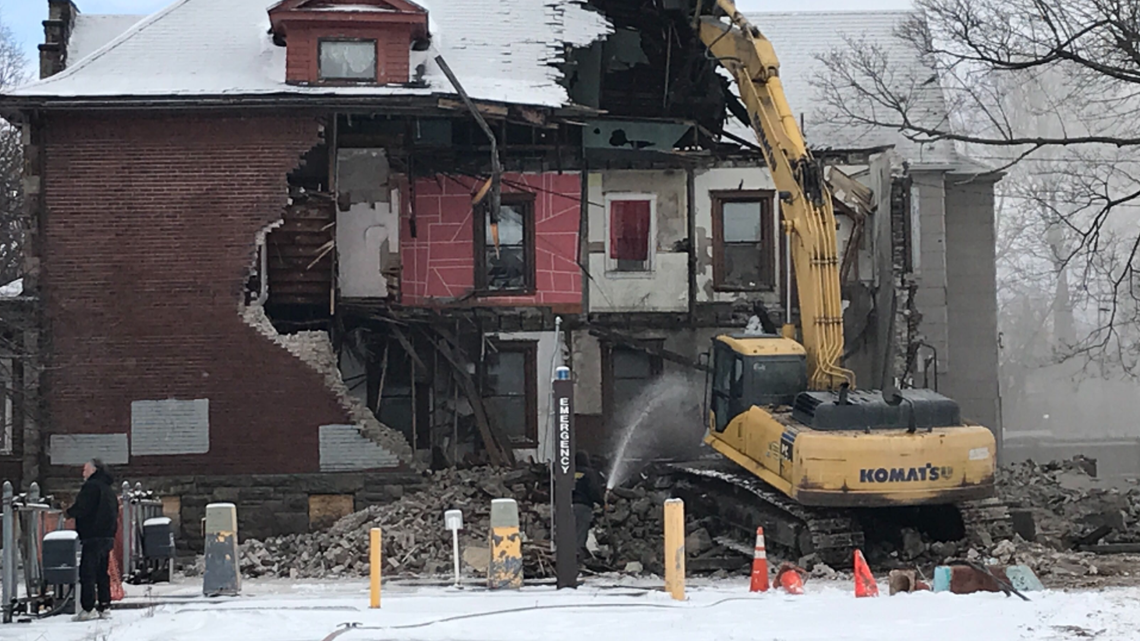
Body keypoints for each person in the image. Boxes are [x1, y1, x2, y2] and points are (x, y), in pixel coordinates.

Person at [65, 458, 119, 621]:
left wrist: (68, 512)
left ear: (94, 470)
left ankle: (88, 608)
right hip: (107, 536)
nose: (83, 472)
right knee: (102, 572)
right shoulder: (108, 489)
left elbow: (83, 507)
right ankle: (104, 605)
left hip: (92, 535)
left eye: (85, 469)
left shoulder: (91, 487)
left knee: (87, 573)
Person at [572, 451, 605, 561]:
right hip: (583, 506)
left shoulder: (568, 472)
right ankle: (576, 558)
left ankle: (567, 554)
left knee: (570, 531)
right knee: (581, 532)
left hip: (567, 506)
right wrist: (602, 502)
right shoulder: (589, 473)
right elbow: (593, 490)